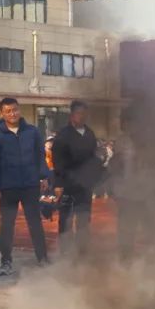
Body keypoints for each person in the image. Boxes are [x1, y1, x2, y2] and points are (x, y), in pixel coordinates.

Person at [0, 97, 50, 274]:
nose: (12, 114)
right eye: (8, 111)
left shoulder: (33, 132)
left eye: (15, 109)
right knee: (7, 226)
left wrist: (44, 176)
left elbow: (40, 156)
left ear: (19, 110)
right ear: (2, 113)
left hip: (30, 185)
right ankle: (6, 261)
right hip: (8, 188)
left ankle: (43, 258)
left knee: (35, 223)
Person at [51, 100, 102, 255]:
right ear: (72, 115)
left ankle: (82, 253)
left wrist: (95, 178)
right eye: (79, 113)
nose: (82, 117)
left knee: (84, 220)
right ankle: (65, 254)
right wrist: (58, 184)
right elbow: (57, 161)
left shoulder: (89, 134)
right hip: (68, 184)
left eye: (85, 114)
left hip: (85, 185)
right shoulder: (63, 135)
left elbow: (93, 158)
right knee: (66, 220)